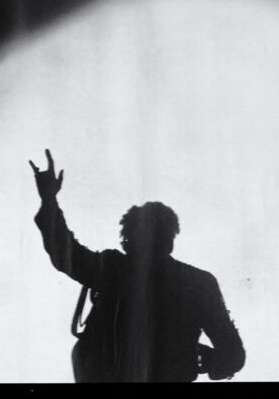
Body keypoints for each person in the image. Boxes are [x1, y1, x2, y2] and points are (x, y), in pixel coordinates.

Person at [29, 149, 245, 382]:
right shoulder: (197, 283)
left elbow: (65, 253)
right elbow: (232, 354)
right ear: (170, 239)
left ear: (128, 239)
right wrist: (205, 360)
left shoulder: (113, 270)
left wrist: (49, 200)